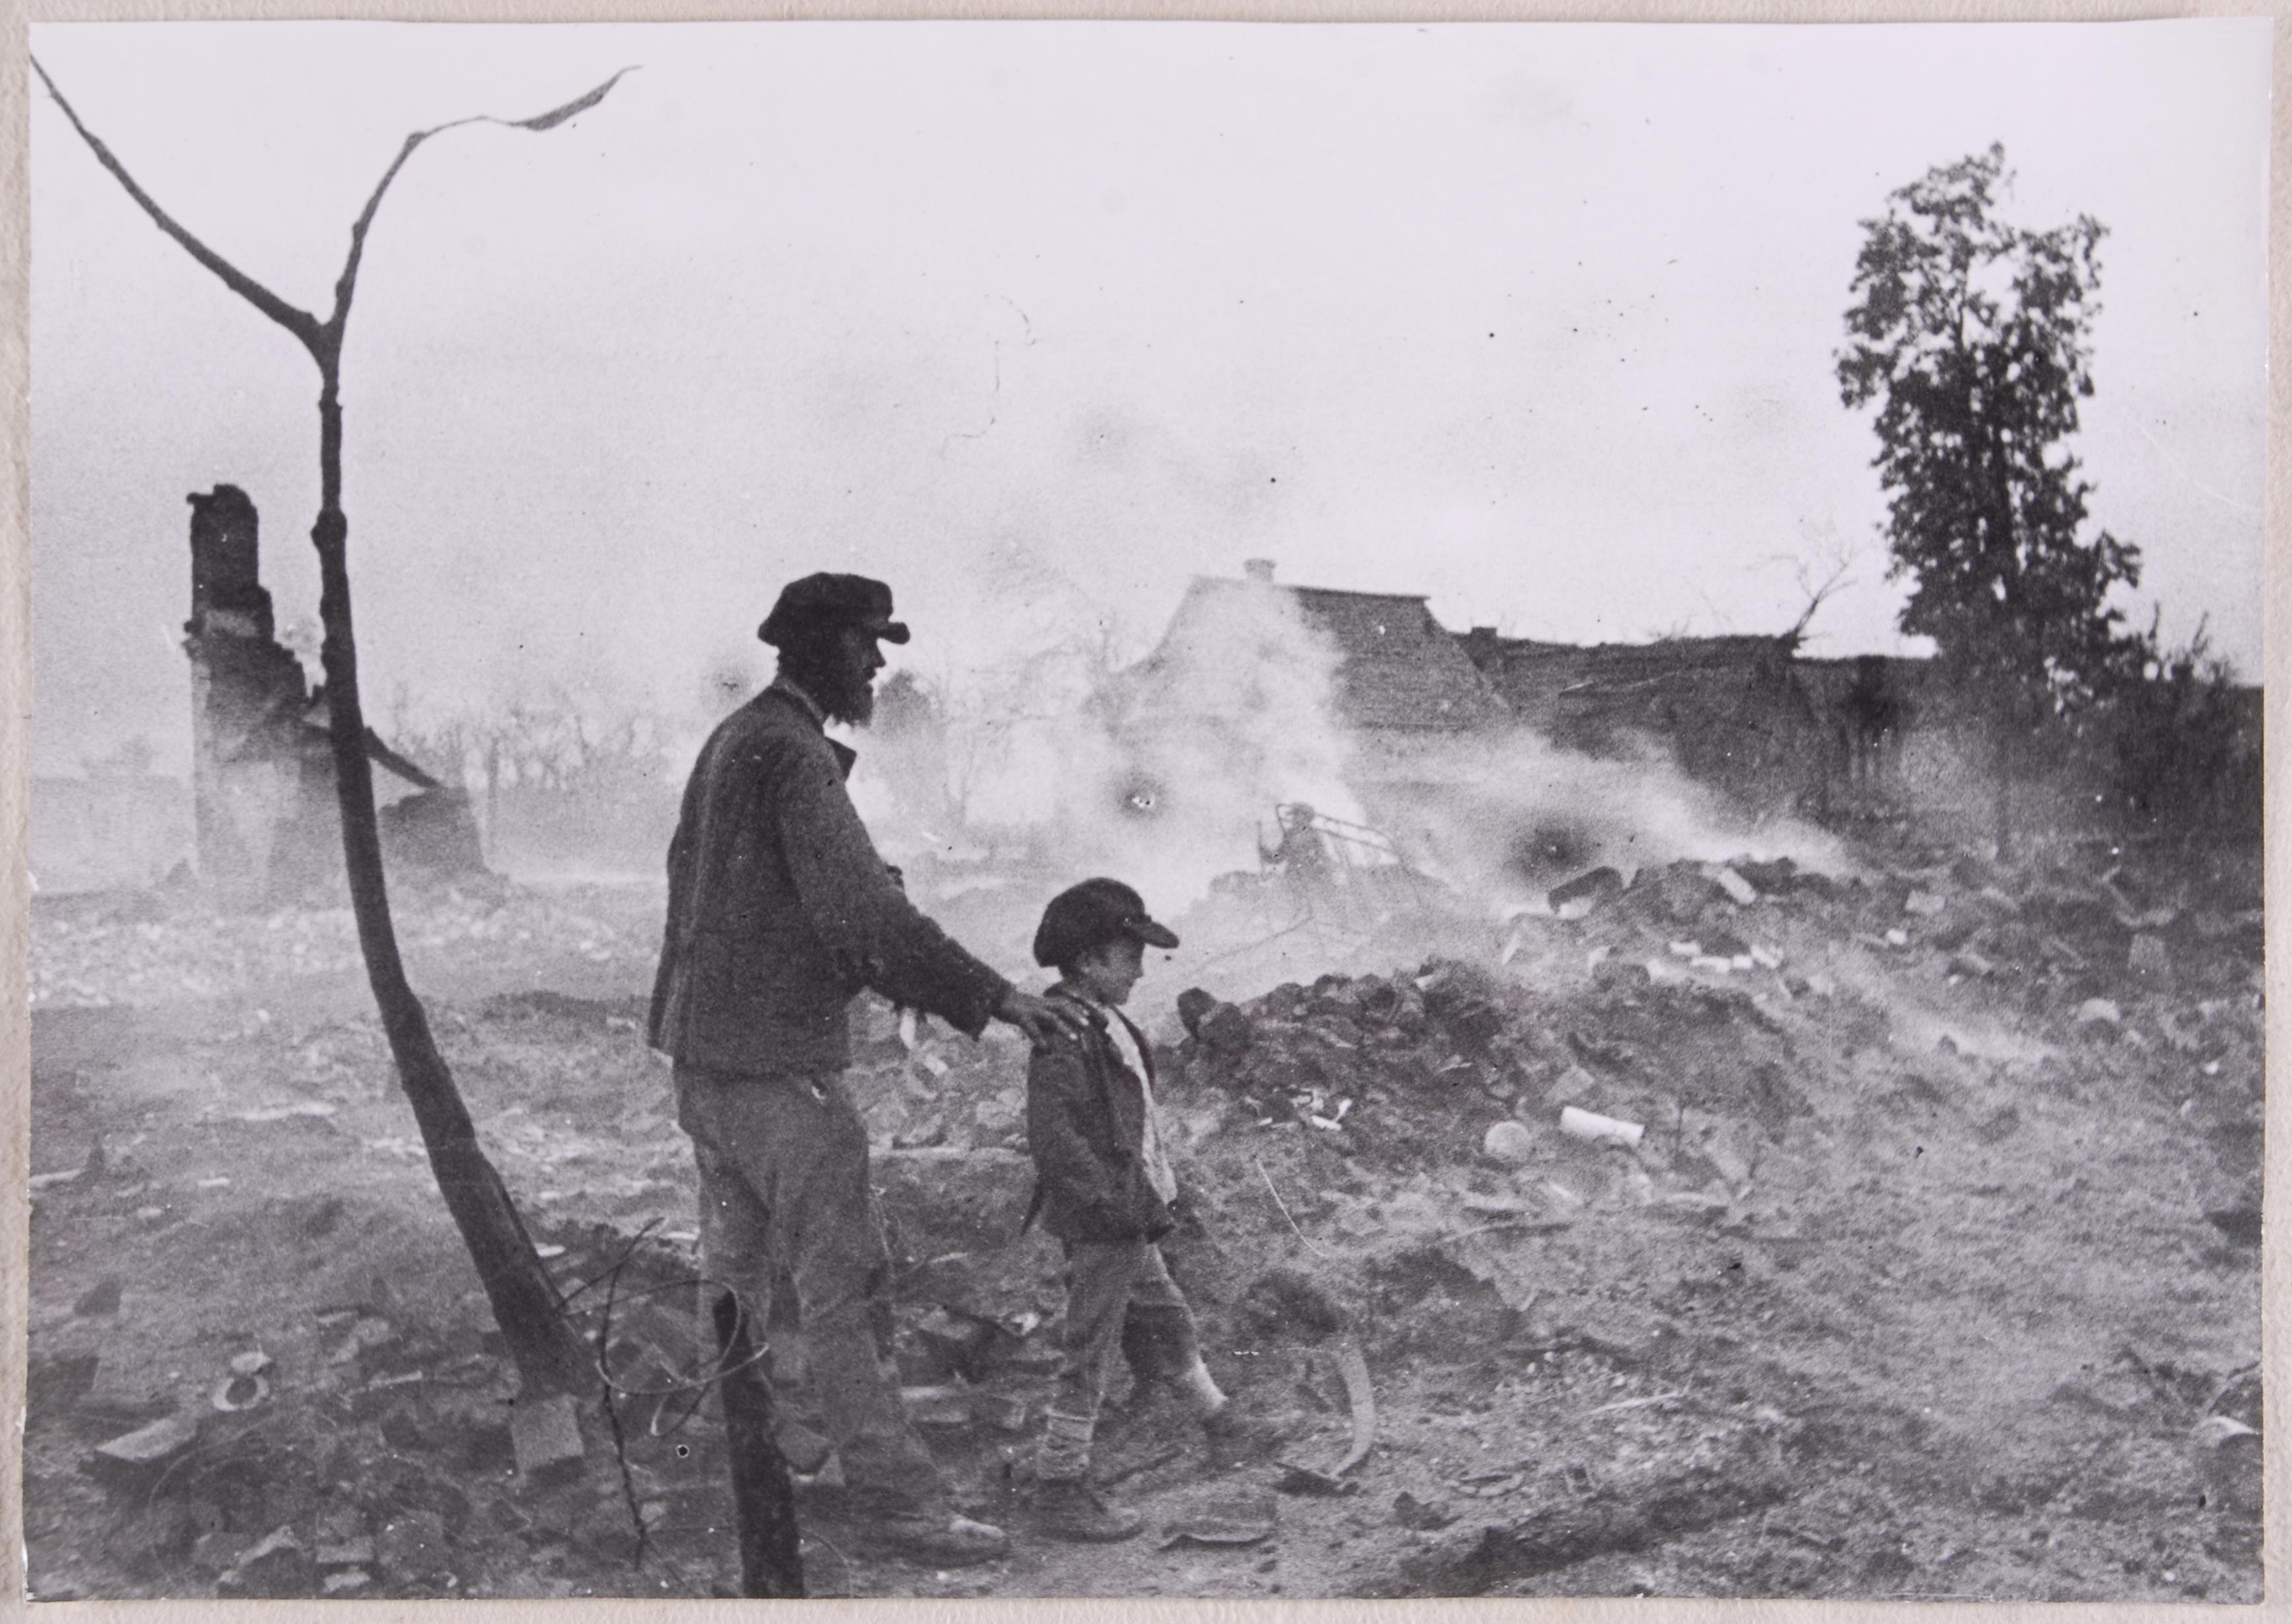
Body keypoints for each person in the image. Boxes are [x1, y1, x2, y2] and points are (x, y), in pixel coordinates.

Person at [648, 571, 1081, 1568]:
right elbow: (862, 918)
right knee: (848, 1291)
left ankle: (750, 1476)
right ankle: (898, 1504)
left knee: (738, 1281)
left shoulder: (735, 742)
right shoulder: (792, 754)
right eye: (865, 644)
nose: (879, 664)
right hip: (779, 1071)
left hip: (709, 1064)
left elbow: (718, 889)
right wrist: (994, 997)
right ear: (817, 647)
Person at [1020, 878, 1241, 1542]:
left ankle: (1220, 1422)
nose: (1140, 968)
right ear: (1088, 961)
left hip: (1129, 1209)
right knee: (1089, 1348)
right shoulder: (1063, 1031)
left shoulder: (1107, 1021)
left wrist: (1148, 1196)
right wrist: (1112, 1203)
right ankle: (1059, 1484)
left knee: (1167, 1314)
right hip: (1105, 1219)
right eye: (1128, 955)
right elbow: (1053, 1138)